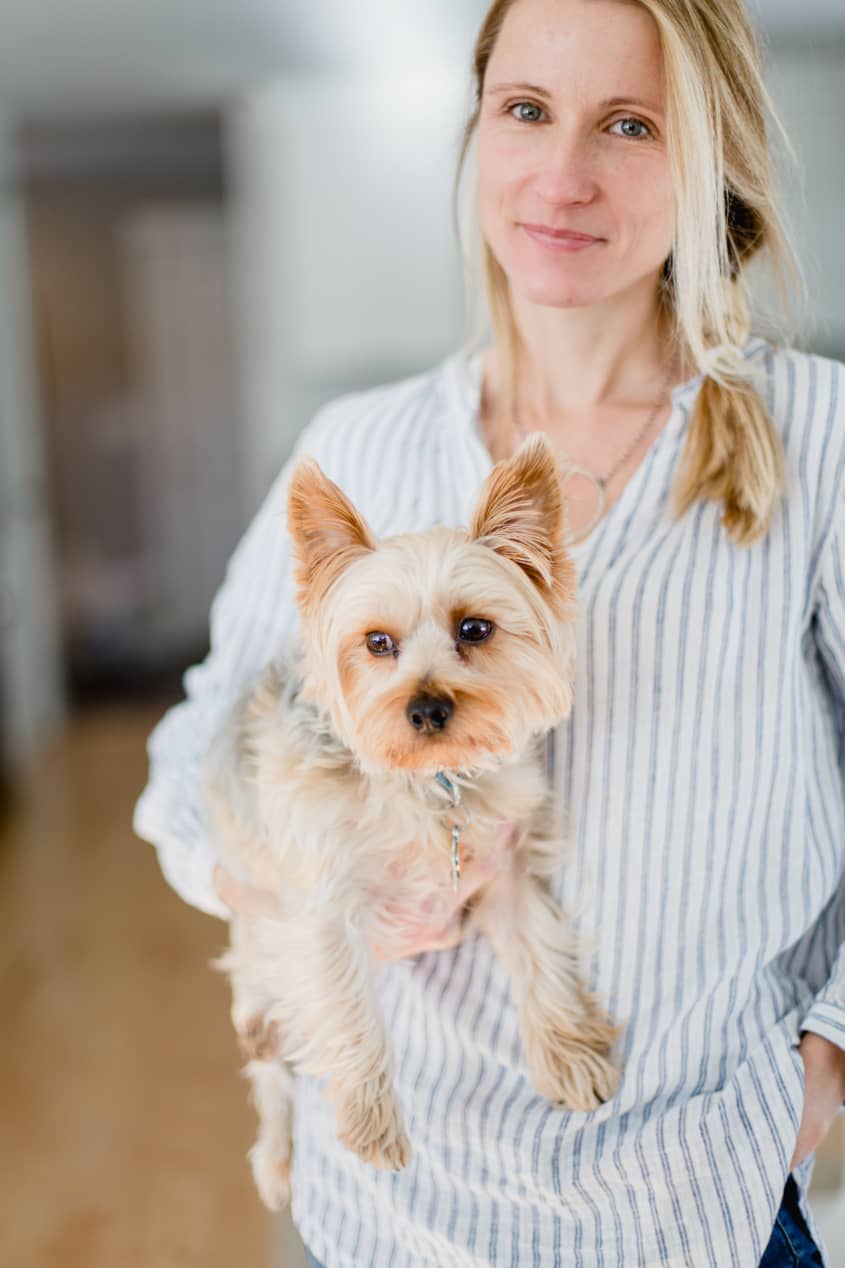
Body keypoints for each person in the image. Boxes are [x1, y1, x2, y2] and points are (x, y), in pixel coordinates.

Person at [133, 0, 845, 1263]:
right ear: (478, 133)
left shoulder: (818, 443)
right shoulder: (355, 445)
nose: (561, 177)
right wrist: (290, 884)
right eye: (526, 111)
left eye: (627, 125)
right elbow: (194, 746)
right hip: (390, 1214)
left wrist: (828, 1061)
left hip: (696, 1206)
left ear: (707, 155)